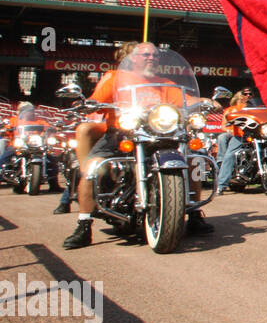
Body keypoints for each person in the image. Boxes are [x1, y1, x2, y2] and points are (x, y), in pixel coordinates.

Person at [62, 42, 213, 249]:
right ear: (132, 58)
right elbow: (95, 100)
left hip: (158, 134)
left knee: (194, 161)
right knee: (93, 168)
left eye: (155, 55)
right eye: (145, 55)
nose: (151, 58)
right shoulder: (114, 79)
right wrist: (88, 103)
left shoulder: (165, 83)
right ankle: (83, 224)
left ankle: (194, 214)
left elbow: (187, 99)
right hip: (121, 133)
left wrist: (204, 100)